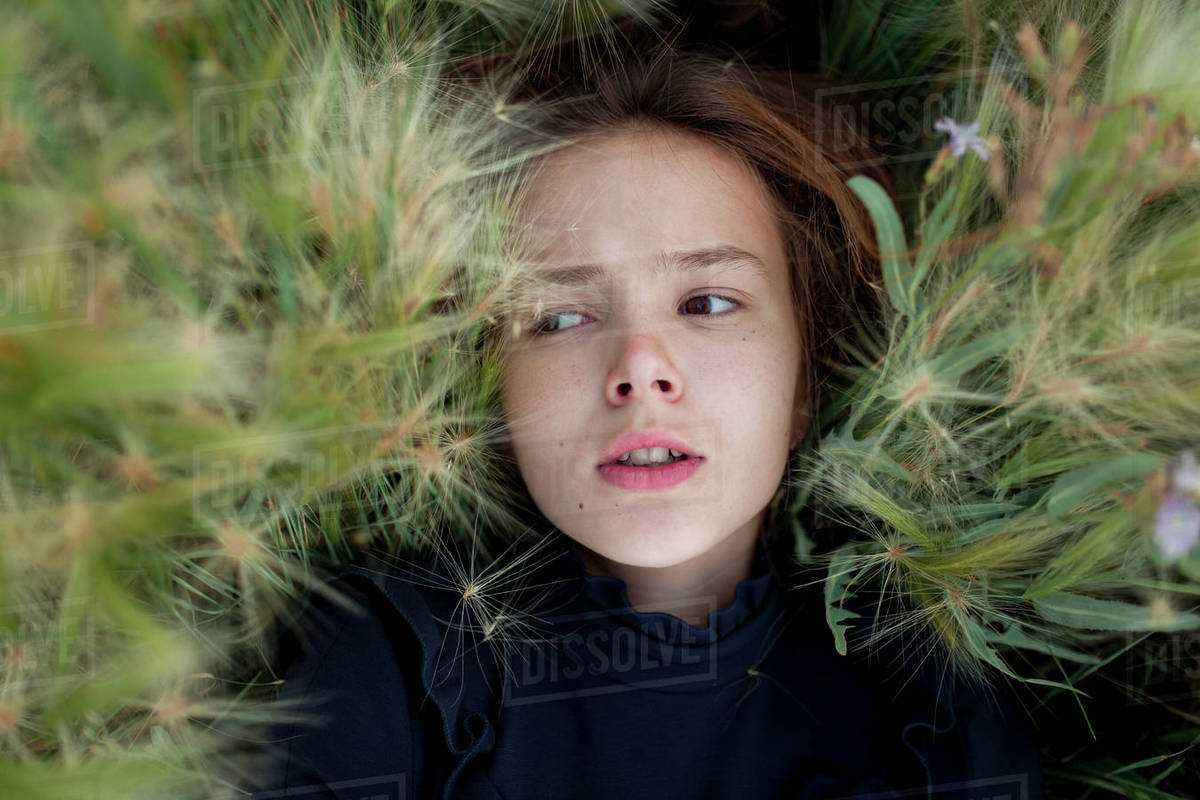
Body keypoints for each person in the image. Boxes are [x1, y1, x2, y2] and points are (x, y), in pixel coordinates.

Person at [249, 33, 1045, 800]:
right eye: (559, 318)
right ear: (491, 382)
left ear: (806, 375)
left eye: (706, 302)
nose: (640, 370)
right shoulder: (397, 663)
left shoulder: (933, 708)